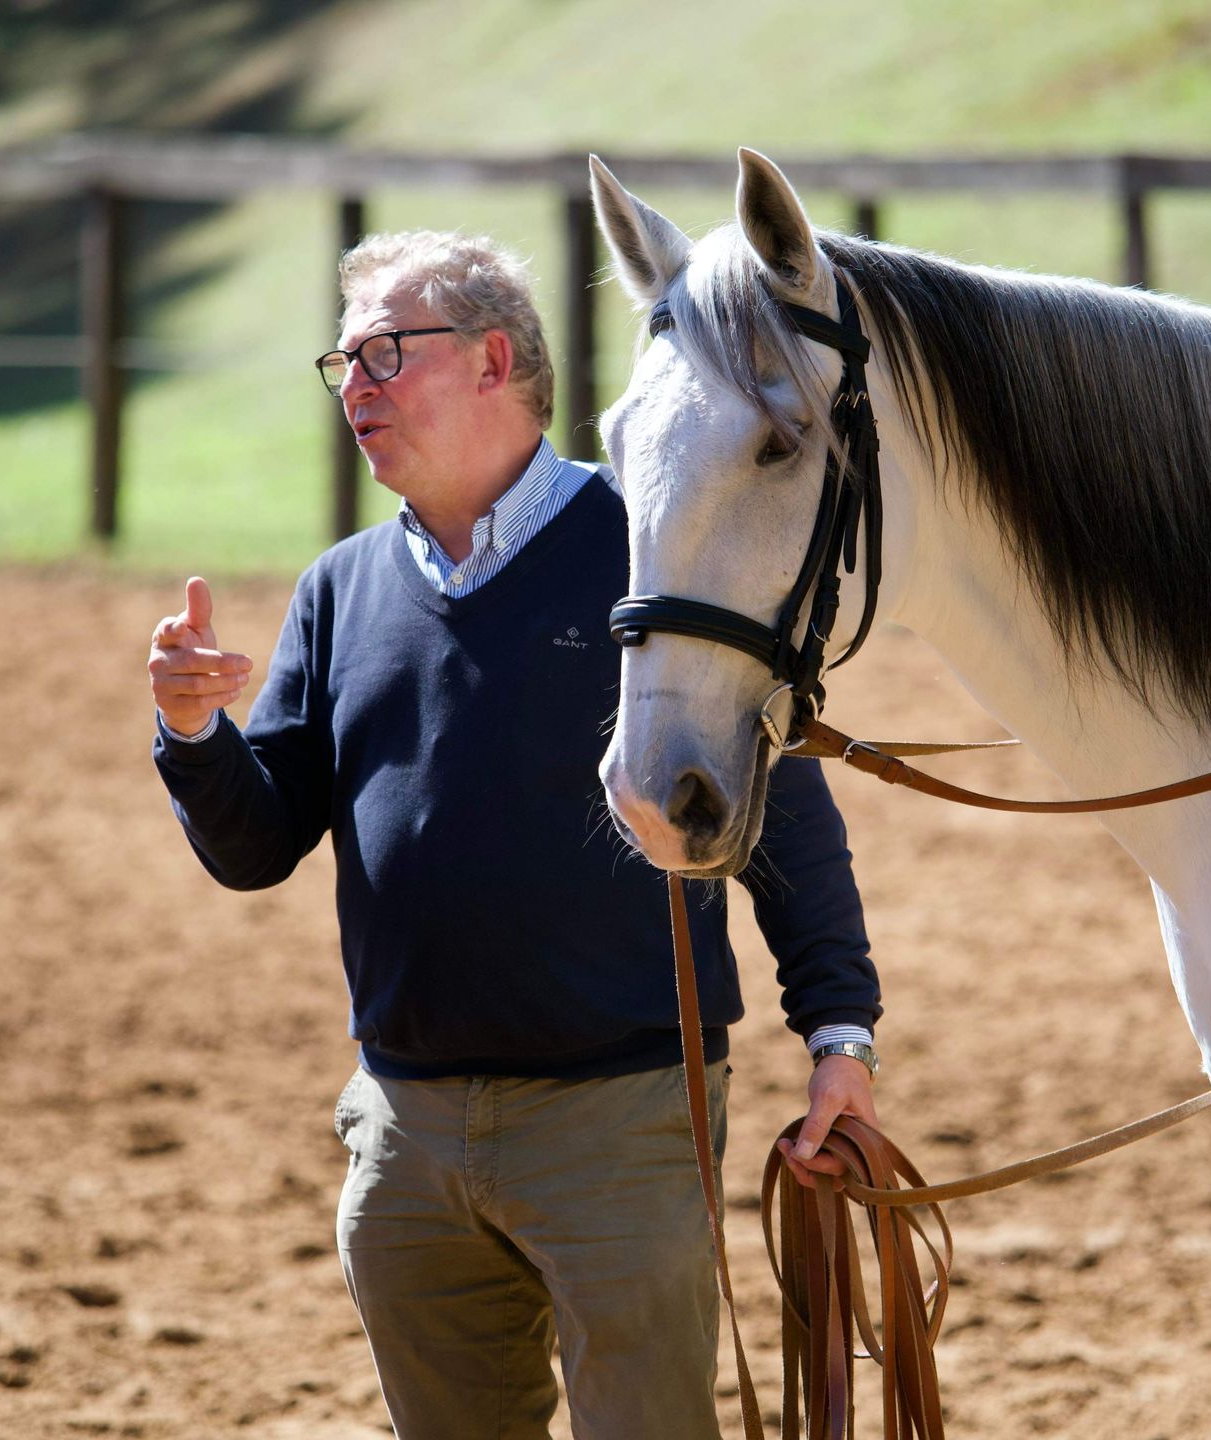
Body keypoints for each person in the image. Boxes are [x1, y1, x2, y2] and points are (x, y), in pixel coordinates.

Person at [146, 230, 882, 1440]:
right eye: (343, 363)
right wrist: (192, 733)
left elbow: (785, 821)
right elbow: (256, 843)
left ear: (496, 360)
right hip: (405, 1130)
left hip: (621, 1123)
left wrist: (839, 1033)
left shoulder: (647, 549)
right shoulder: (340, 587)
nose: (357, 385)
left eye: (387, 350)